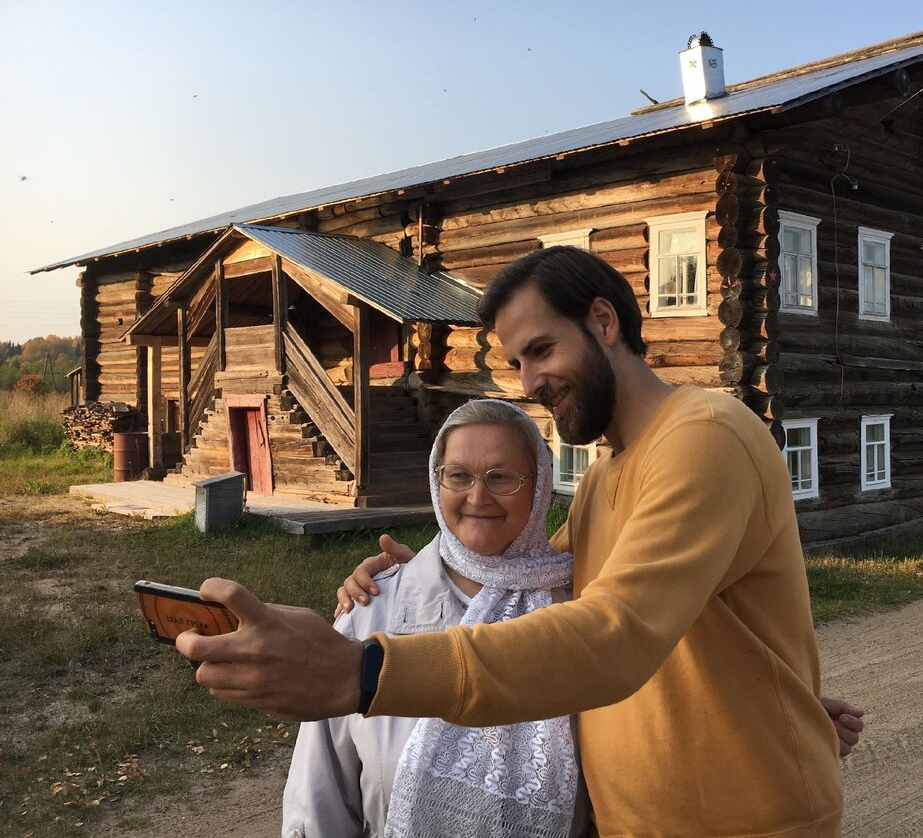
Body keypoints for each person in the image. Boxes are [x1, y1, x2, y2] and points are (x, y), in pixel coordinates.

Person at [178, 246, 847, 835]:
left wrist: (366, 670)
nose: (528, 383)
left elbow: (613, 632)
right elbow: (529, 578)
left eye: (543, 350)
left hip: (744, 822)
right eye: (517, 362)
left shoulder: (705, 436)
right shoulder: (605, 478)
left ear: (604, 323)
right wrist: (425, 575)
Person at [282, 399, 586, 837]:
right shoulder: (371, 614)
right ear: (436, 480)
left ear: (538, 488)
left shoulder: (579, 615)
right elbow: (319, 799)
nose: (477, 498)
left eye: (501, 478)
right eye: (458, 475)